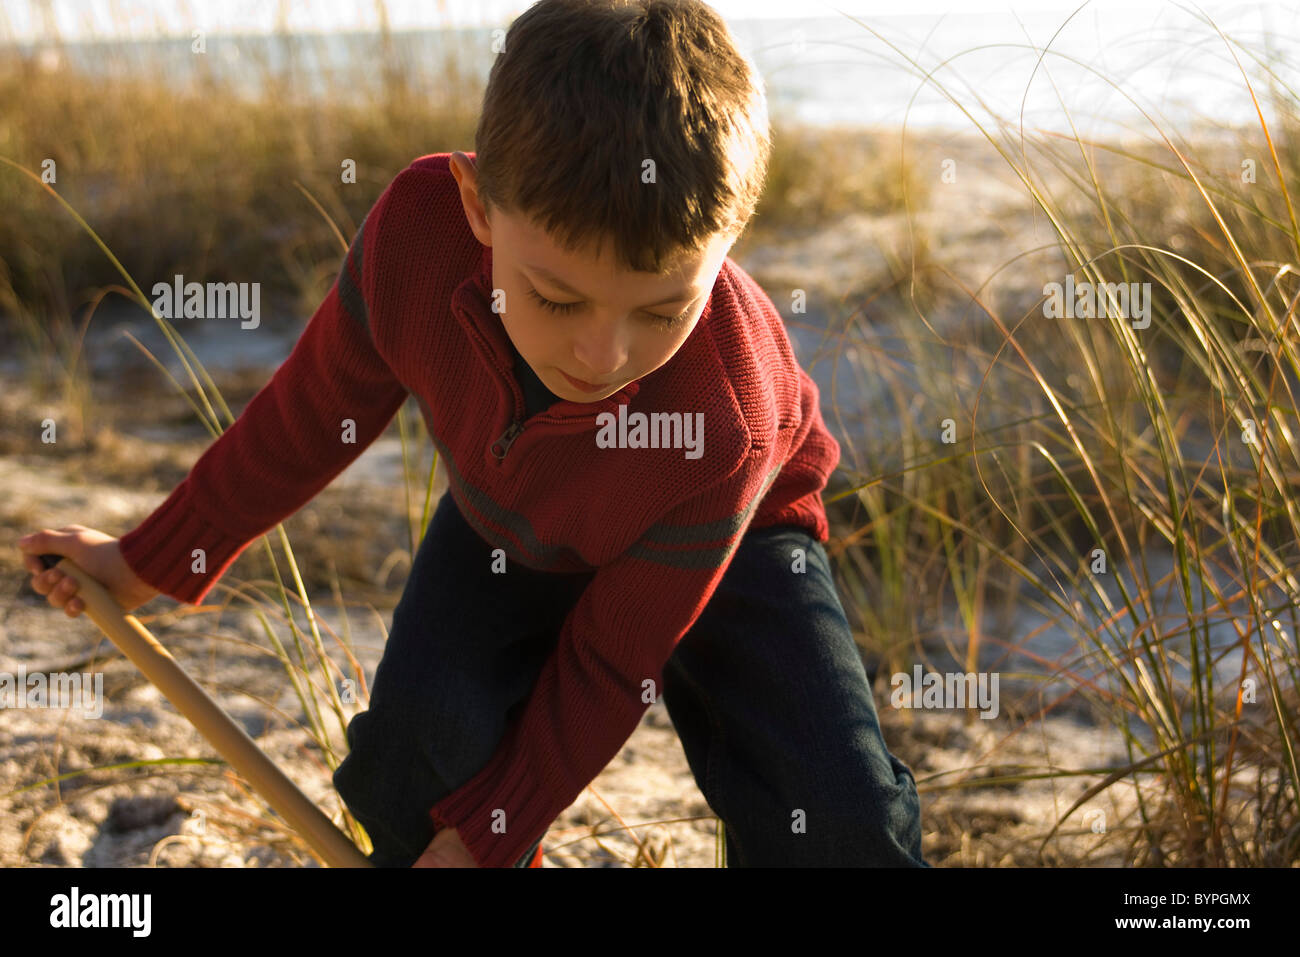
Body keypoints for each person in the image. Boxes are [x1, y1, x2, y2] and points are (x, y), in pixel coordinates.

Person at [19, 0, 928, 868]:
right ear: (476, 206)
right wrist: (145, 560)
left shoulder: (720, 410)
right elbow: (308, 417)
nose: (603, 352)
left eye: (663, 308)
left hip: (731, 534)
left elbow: (614, 657)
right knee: (416, 770)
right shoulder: (416, 237)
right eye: (556, 296)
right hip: (515, 521)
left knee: (836, 824)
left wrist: (491, 831)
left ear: (728, 246)